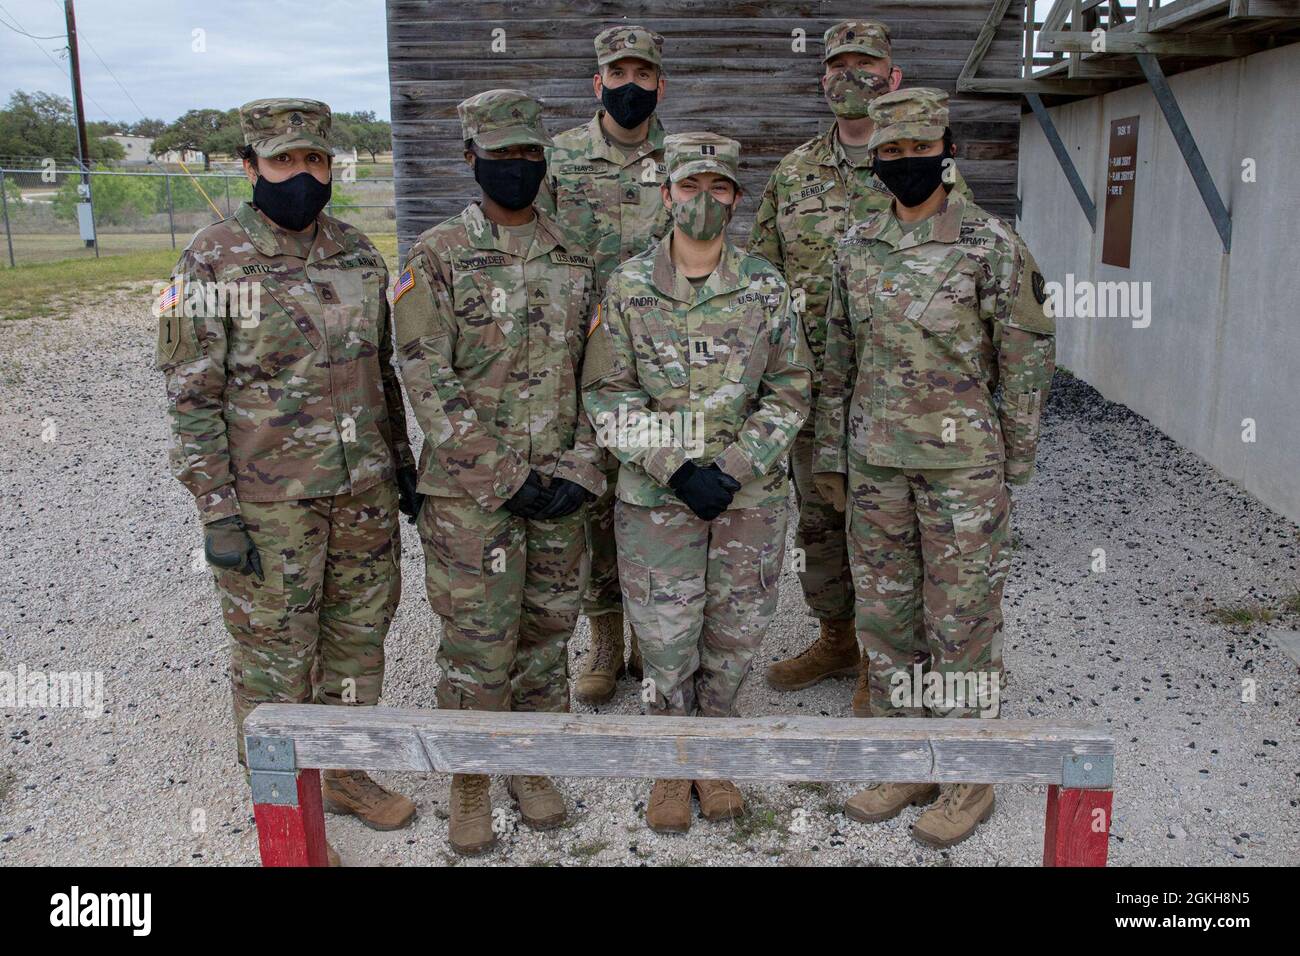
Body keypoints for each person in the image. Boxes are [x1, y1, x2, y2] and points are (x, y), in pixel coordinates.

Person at [155, 98, 420, 862]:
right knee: (274, 656)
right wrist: (216, 511)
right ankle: (285, 815)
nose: (302, 176)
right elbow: (190, 395)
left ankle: (341, 769)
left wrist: (400, 468)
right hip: (271, 504)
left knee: (357, 643)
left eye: (315, 161)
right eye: (283, 162)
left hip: (362, 494)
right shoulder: (210, 260)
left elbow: (382, 374)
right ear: (249, 167)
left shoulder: (360, 254)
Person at [814, 89, 1056, 847]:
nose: (906, 164)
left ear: (946, 150)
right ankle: (904, 760)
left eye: (920, 150)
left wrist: (1012, 458)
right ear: (875, 160)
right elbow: (836, 358)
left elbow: (1025, 358)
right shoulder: (855, 246)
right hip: (878, 465)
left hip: (961, 472)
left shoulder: (990, 244)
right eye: (891, 153)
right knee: (886, 623)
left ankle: (968, 777)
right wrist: (832, 453)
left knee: (961, 625)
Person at [392, 89, 604, 856]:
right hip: (470, 496)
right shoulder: (437, 254)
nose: (515, 167)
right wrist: (500, 475)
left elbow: (602, 370)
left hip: (561, 489)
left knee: (548, 633)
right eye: (500, 154)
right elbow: (426, 377)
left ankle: (531, 760)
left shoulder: (575, 253)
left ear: (543, 158)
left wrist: (582, 465)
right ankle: (471, 776)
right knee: (479, 642)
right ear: (470, 159)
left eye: (528, 154)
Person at [582, 132, 813, 833]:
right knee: (664, 631)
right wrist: (676, 469)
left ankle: (712, 750)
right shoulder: (626, 287)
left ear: (736, 198)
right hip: (657, 501)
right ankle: (667, 756)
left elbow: (792, 389)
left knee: (736, 629)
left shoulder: (766, 286)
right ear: (667, 194)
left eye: (717, 188)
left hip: (749, 499)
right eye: (690, 187)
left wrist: (735, 467)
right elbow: (606, 394)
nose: (703, 201)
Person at [749, 21, 973, 712]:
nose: (852, 76)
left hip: (899, 398)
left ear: (893, 76)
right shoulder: (793, 173)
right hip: (815, 393)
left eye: (866, 65)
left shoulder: (931, 169)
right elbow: (761, 276)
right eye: (838, 65)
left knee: (892, 536)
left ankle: (888, 661)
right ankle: (838, 636)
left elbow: (965, 276)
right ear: (822, 79)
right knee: (821, 529)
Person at [537, 25, 673, 704]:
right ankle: (605, 638)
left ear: (660, 84)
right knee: (590, 501)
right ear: (597, 83)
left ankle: (654, 641)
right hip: (578, 367)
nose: (628, 86)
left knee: (653, 498)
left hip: (660, 370)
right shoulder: (557, 160)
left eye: (641, 74)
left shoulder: (681, 163)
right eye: (616, 73)